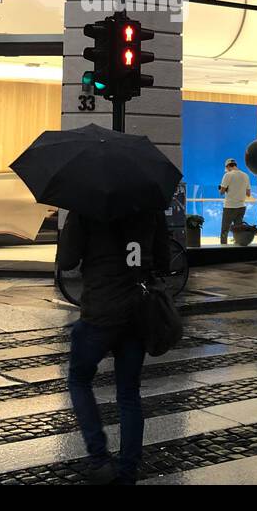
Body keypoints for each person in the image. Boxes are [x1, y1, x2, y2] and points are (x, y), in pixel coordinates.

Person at [57, 207, 172, 485]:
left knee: (78, 380)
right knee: (129, 394)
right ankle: (128, 471)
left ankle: (99, 458)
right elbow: (165, 262)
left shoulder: (86, 207)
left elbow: (68, 260)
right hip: (136, 314)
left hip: (100, 311)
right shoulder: (148, 207)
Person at [218, 158, 250, 246]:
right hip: (241, 207)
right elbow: (248, 193)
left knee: (225, 230)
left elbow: (221, 192)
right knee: (238, 231)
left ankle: (223, 249)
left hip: (229, 207)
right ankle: (238, 249)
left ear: (228, 166)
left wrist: (221, 188)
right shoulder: (245, 175)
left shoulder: (227, 175)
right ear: (235, 165)